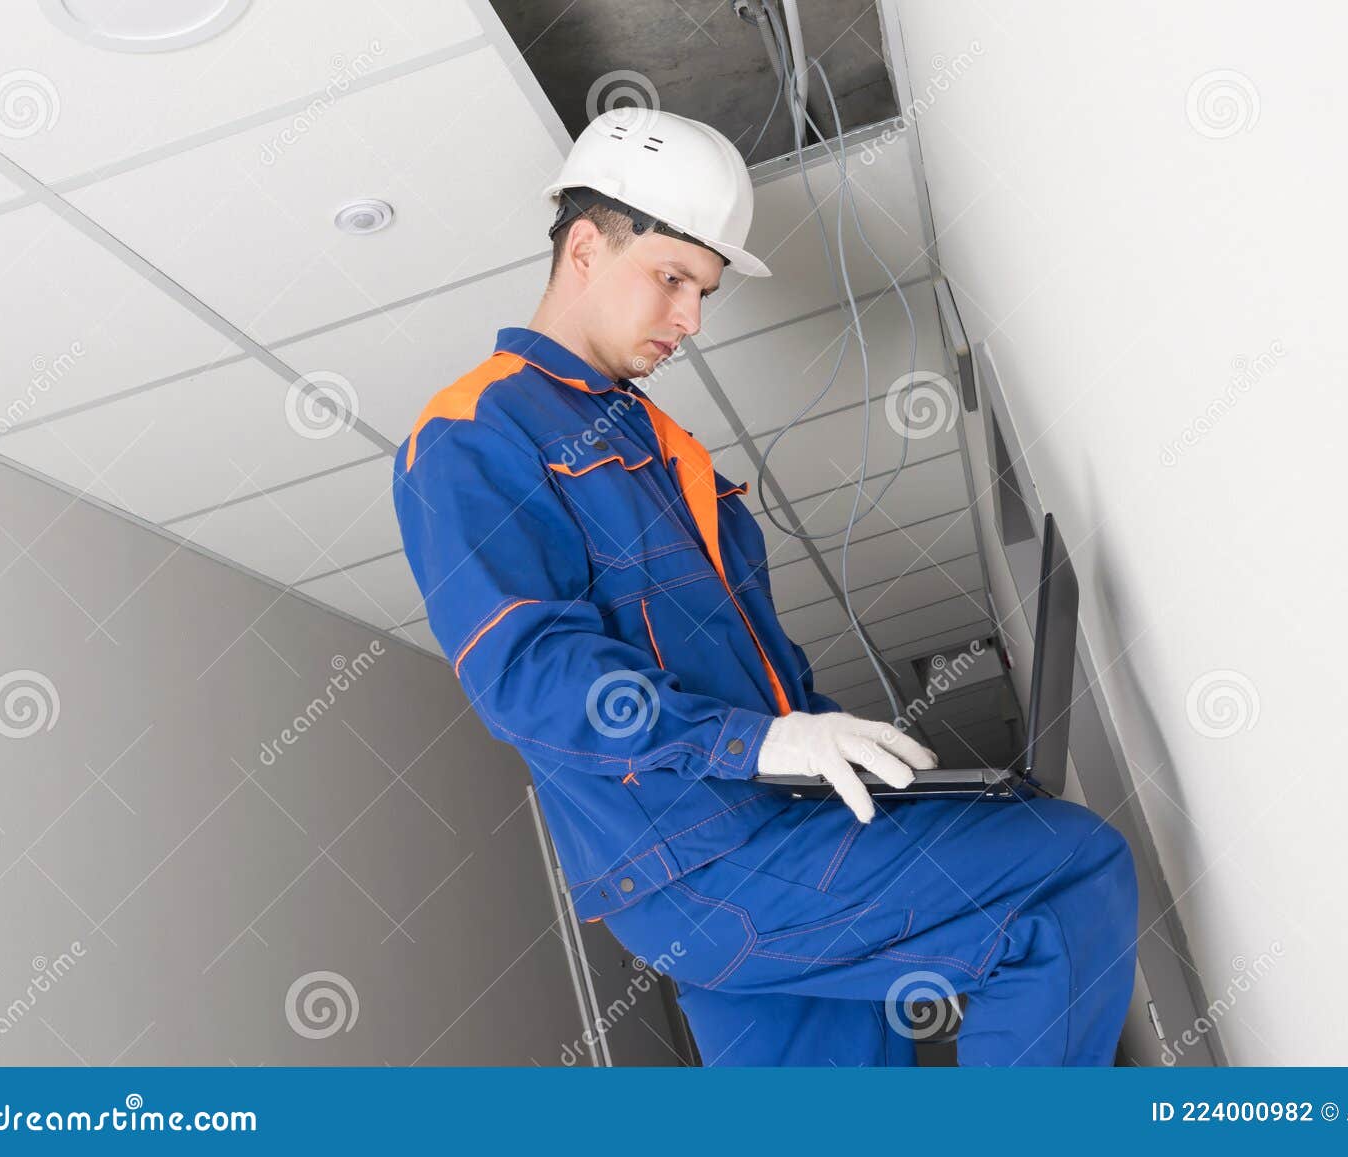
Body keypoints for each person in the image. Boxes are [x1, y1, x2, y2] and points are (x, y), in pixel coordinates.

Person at [392, 107, 1138, 1065]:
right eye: (671, 279)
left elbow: (761, 675)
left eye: (703, 291)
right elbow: (528, 676)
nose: (691, 319)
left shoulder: (663, 447)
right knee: (1062, 876)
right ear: (585, 246)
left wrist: (839, 745)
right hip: (703, 859)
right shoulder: (474, 430)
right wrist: (763, 741)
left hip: (758, 839)